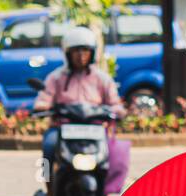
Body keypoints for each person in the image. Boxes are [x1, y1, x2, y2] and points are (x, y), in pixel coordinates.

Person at [34, 25, 123, 170]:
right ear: (68, 53)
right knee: (48, 146)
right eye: (76, 50)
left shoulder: (103, 79)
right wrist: (44, 107)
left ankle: (104, 188)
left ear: (92, 53)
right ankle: (48, 184)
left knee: (115, 154)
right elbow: (44, 99)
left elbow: (115, 104)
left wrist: (117, 112)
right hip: (63, 128)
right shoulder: (56, 77)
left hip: (94, 129)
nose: (81, 55)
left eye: (85, 50)